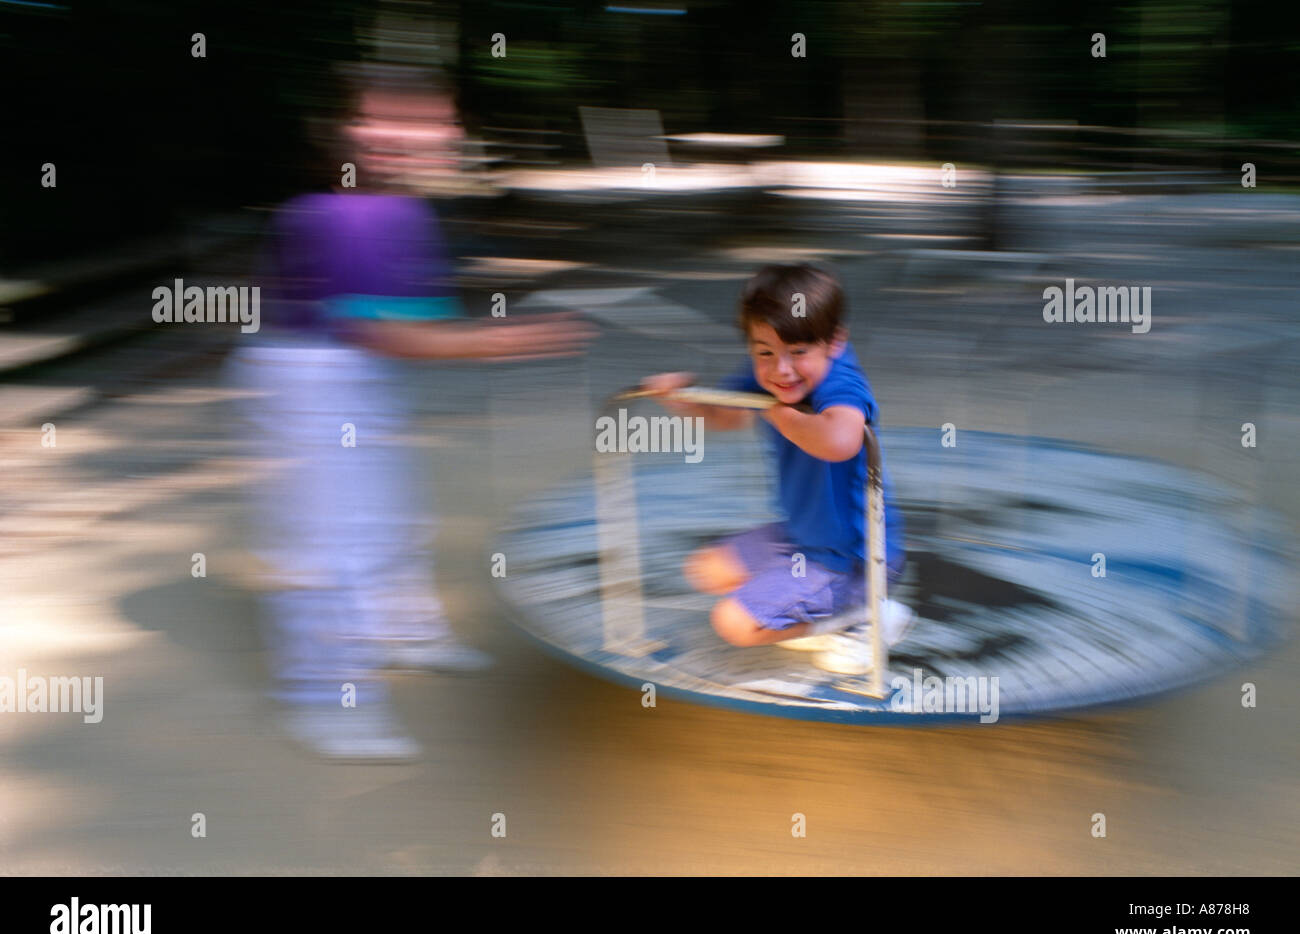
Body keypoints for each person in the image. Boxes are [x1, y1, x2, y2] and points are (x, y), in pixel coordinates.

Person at [225, 65, 591, 760]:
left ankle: (405, 629)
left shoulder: (404, 211)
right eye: (394, 117)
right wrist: (515, 340)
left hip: (353, 368)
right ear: (350, 133)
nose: (426, 133)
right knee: (332, 539)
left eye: (433, 118)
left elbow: (407, 321)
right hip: (304, 374)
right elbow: (393, 333)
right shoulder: (341, 215)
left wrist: (490, 339)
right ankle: (325, 696)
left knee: (392, 509)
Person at [641, 263, 911, 674]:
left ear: (834, 341)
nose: (782, 369)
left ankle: (863, 615)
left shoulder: (842, 382)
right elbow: (728, 415)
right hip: (804, 536)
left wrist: (778, 412)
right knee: (706, 570)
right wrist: (682, 400)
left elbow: (840, 441)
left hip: (852, 555)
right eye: (764, 352)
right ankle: (806, 608)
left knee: (732, 623)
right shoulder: (770, 371)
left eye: (798, 352)